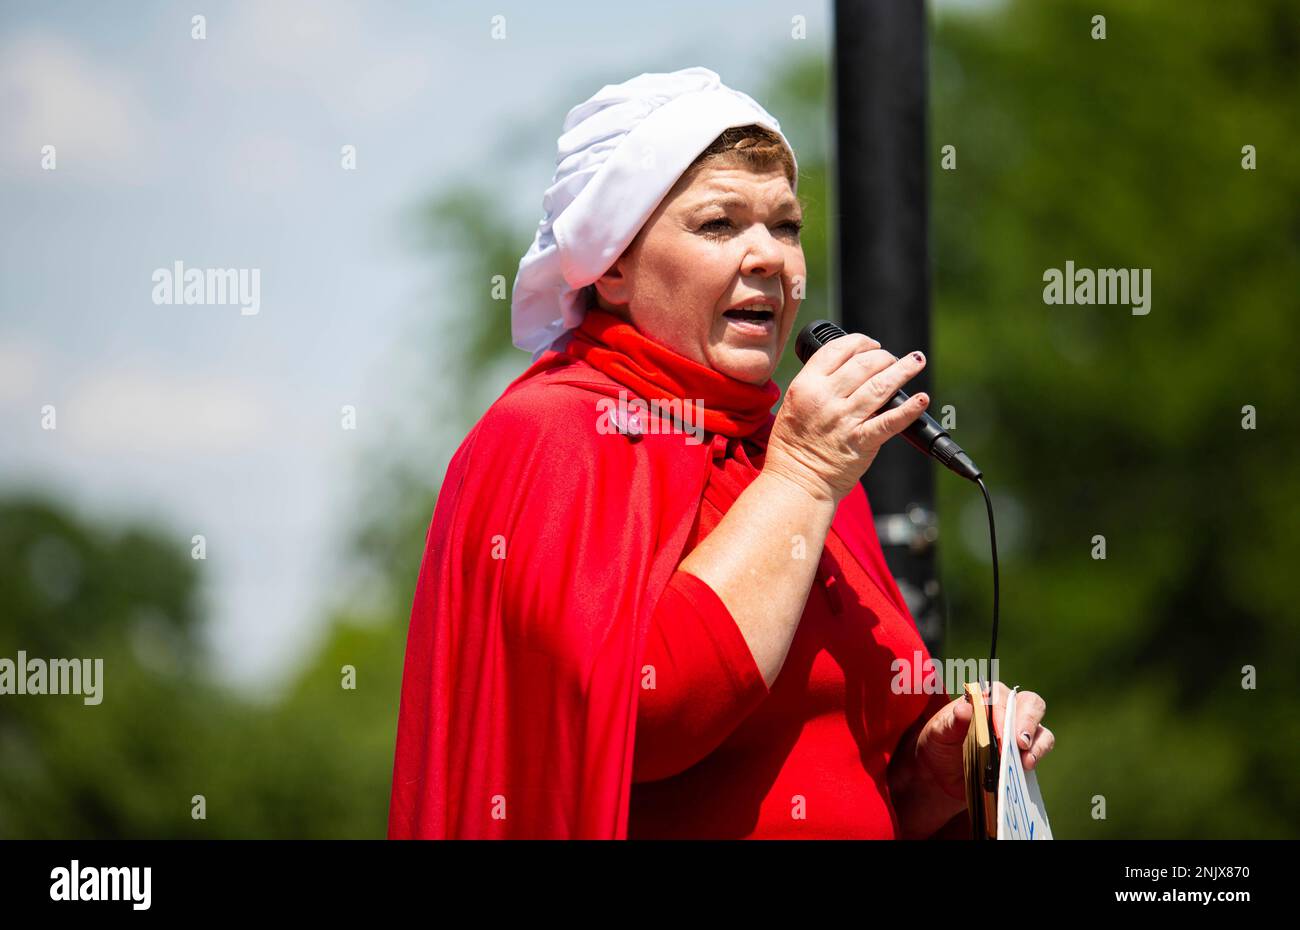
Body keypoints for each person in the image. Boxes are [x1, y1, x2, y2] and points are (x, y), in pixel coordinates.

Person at [388, 67, 1054, 840]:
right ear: (611, 264)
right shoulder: (553, 437)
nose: (771, 257)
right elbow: (649, 713)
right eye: (718, 225)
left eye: (787, 226)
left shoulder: (796, 452)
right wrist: (802, 478)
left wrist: (930, 776)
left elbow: (844, 780)